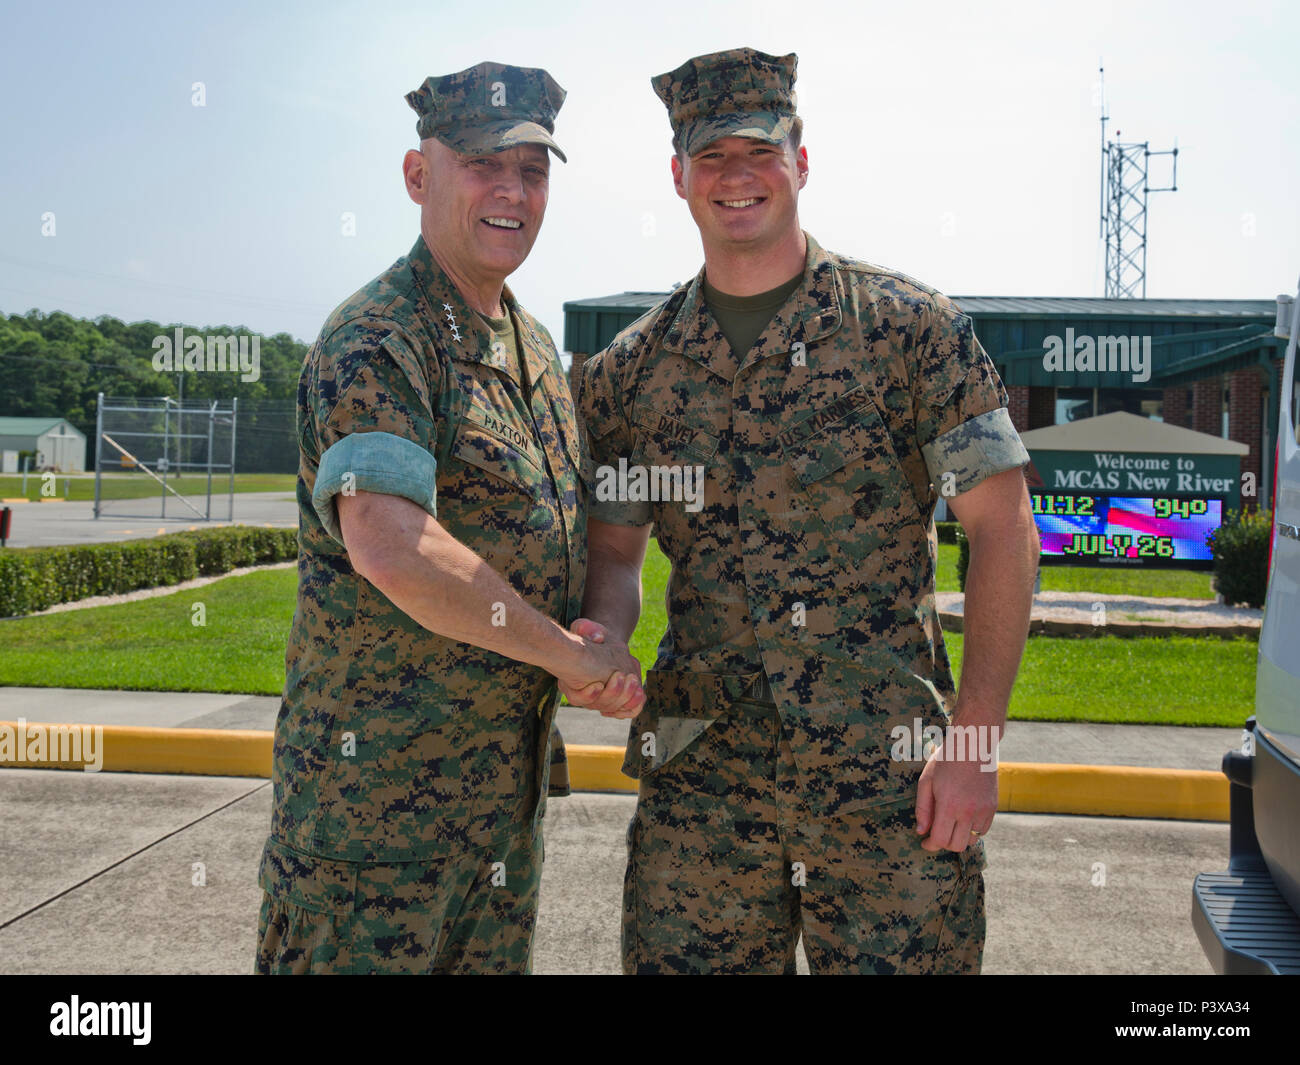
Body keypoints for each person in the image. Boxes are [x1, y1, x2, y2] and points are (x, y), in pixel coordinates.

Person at [574, 47, 1039, 974]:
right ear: (677, 177)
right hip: (701, 783)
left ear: (802, 158)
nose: (736, 176)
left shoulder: (907, 331)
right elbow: (618, 555)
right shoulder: (633, 371)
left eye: (760, 149)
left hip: (890, 780)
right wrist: (605, 636)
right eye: (710, 156)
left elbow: (1004, 531)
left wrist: (975, 740)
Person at [256, 60, 642, 975]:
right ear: (418, 175)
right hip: (371, 838)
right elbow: (394, 550)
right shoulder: (381, 340)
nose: (512, 190)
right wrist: (565, 653)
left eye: (534, 170)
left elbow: (575, 538)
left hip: (498, 824)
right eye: (481, 162)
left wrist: (602, 638)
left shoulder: (535, 348)